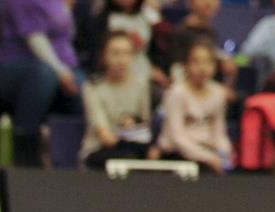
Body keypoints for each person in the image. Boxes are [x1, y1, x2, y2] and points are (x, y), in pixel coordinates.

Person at [0, 0, 81, 166]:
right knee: (44, 76)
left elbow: (67, 34)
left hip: (62, 64)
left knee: (84, 90)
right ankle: (24, 145)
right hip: (18, 67)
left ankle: (72, 155)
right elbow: (35, 39)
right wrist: (61, 71)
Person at [152, 35, 233, 171]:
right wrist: (207, 158)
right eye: (196, 62)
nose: (202, 68)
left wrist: (224, 152)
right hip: (177, 153)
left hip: (208, 151)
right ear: (186, 65)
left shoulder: (219, 93)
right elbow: (177, 137)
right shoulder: (176, 93)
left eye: (208, 62)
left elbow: (219, 131)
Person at [84, 30, 155, 170]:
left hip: (133, 147)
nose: (121, 60)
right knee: (128, 158)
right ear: (104, 56)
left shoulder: (141, 85)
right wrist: (126, 134)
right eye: (115, 53)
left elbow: (145, 126)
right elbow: (105, 136)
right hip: (99, 150)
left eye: (126, 53)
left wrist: (135, 125)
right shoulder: (93, 87)